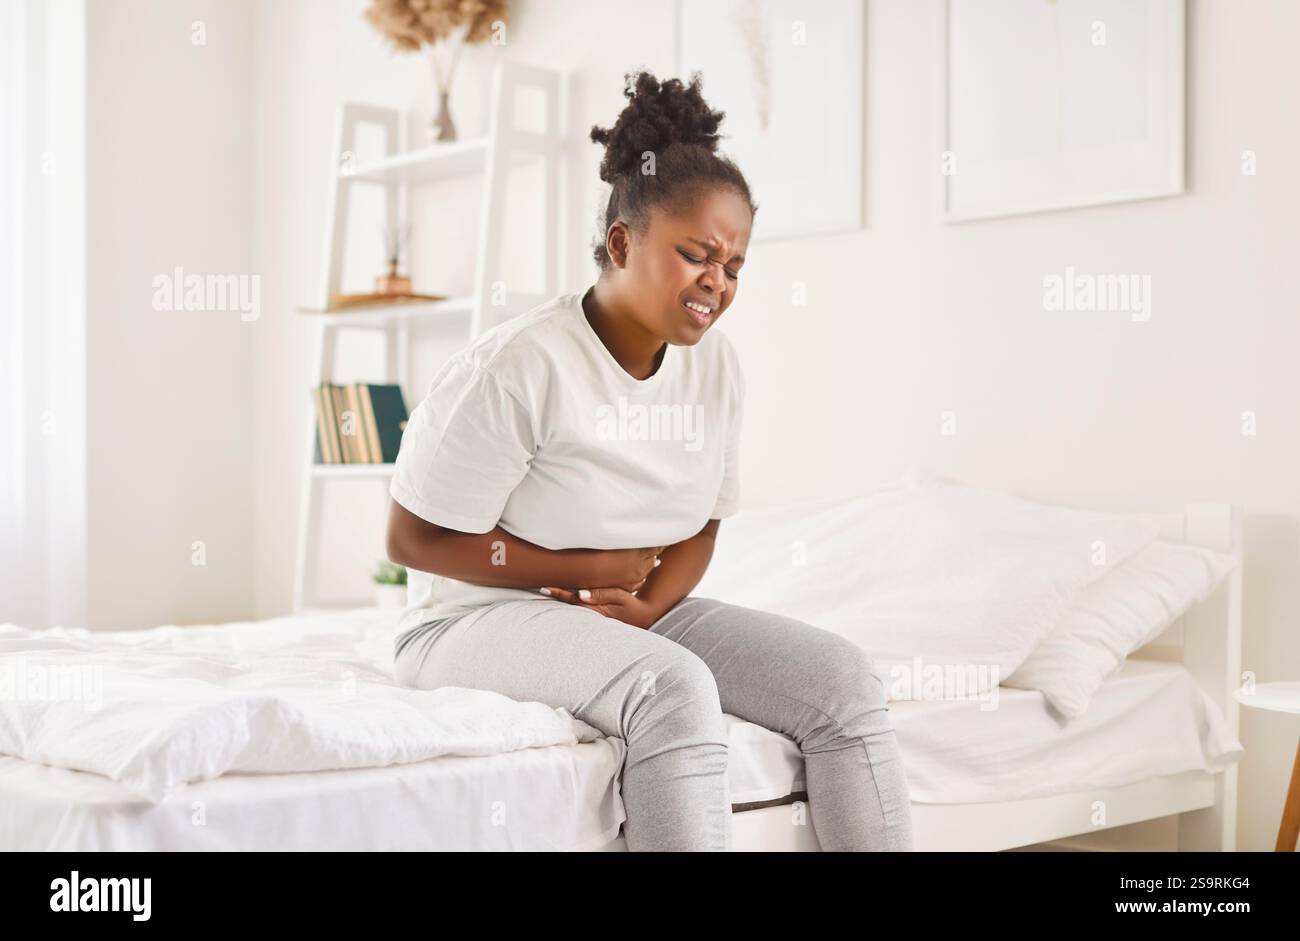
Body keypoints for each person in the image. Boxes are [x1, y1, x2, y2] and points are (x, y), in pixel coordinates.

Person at [386, 70, 913, 852]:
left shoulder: (716, 367)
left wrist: (647, 604)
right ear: (623, 241)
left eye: (733, 266)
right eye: (697, 253)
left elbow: (702, 525)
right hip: (470, 621)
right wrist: (580, 566)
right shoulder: (521, 366)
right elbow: (412, 542)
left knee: (845, 682)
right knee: (671, 687)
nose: (717, 281)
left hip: (626, 615)